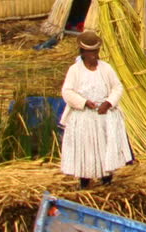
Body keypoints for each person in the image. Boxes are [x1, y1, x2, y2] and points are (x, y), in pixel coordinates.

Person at [59, 30, 133, 188]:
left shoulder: (106, 68)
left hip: (104, 115)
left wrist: (108, 103)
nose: (94, 55)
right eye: (91, 52)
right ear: (83, 52)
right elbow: (67, 91)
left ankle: (107, 178)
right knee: (86, 148)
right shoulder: (75, 70)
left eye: (96, 51)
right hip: (84, 116)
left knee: (105, 145)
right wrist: (84, 102)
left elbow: (117, 87)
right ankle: (84, 180)